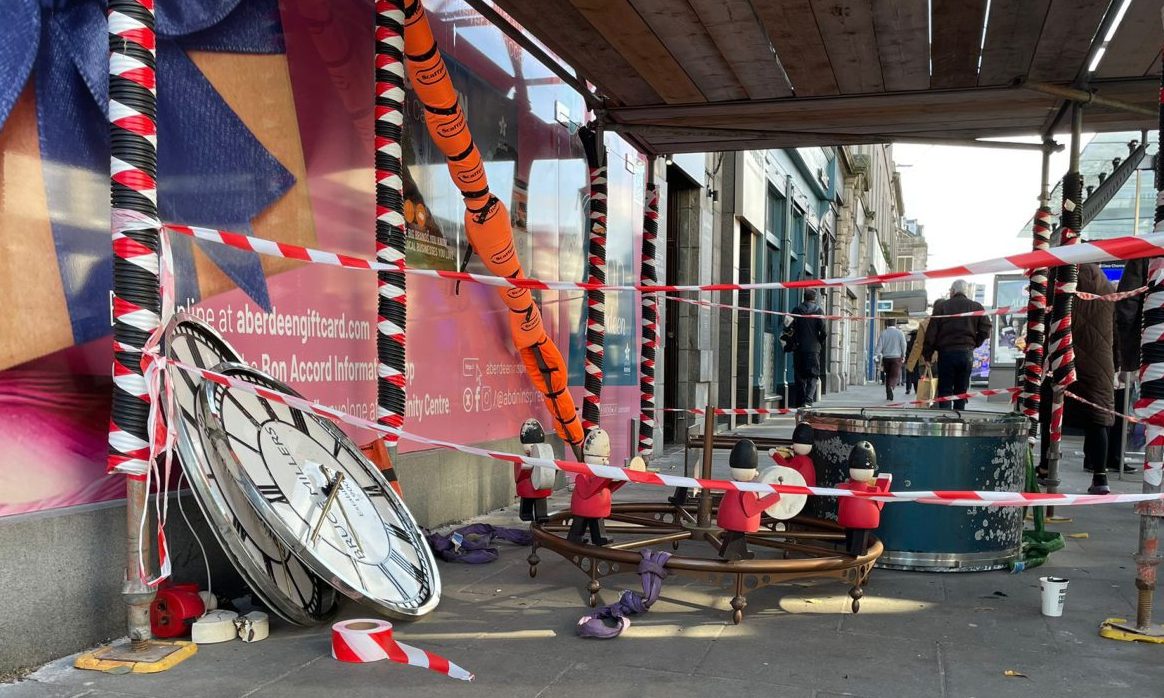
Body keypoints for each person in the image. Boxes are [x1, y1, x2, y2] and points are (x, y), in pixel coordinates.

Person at [923, 280, 991, 410]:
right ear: (966, 292)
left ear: (952, 291)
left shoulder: (942, 307)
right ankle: (959, 421)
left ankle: (945, 419)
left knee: (945, 391)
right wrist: (975, 343)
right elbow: (986, 329)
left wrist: (927, 355)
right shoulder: (976, 307)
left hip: (946, 353)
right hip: (966, 353)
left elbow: (931, 333)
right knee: (961, 391)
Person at [789, 289, 827, 407]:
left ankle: (800, 401)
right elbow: (824, 331)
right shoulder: (819, 311)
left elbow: (789, 327)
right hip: (813, 349)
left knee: (800, 375)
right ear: (814, 298)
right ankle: (808, 400)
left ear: (804, 298)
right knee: (813, 375)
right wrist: (819, 342)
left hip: (799, 348)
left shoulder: (796, 310)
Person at [875, 320, 907, 400]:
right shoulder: (900, 333)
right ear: (895, 324)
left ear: (886, 324)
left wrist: (876, 354)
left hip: (886, 358)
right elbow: (903, 344)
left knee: (888, 375)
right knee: (895, 375)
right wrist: (903, 354)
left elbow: (879, 345)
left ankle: (889, 395)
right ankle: (892, 386)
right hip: (896, 357)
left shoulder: (883, 333)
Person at [904, 320, 928, 395]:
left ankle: (908, 388)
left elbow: (908, 352)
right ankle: (916, 389)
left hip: (911, 360)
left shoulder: (909, 343)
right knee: (917, 375)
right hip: (919, 360)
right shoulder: (920, 340)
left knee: (909, 374)